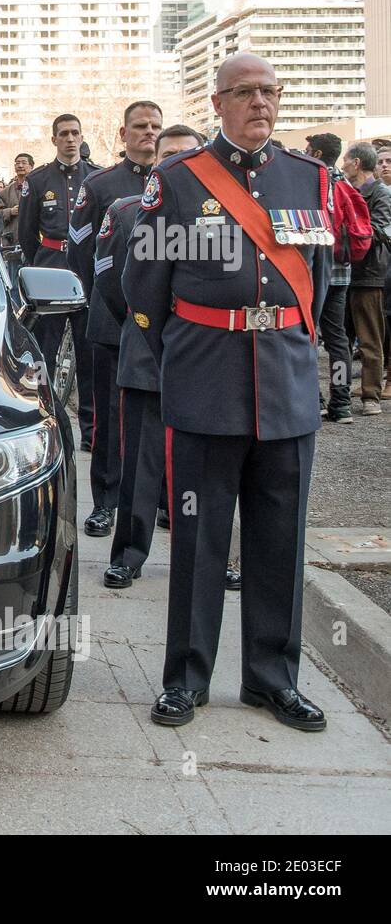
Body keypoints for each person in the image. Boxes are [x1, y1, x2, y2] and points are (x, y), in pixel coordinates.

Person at [123, 52, 330, 732]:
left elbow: (316, 289)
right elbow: (144, 292)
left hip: (288, 390)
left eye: (270, 91)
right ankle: (186, 678)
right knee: (199, 540)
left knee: (280, 543)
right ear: (217, 103)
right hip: (208, 384)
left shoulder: (310, 179)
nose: (260, 104)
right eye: (244, 93)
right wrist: (182, 361)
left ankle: (273, 680)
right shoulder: (176, 184)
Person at [93, 124, 245, 595]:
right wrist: (151, 331)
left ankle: (207, 559)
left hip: (206, 362)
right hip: (147, 357)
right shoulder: (126, 211)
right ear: (155, 162)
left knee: (205, 473)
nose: (178, 160)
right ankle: (128, 556)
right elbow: (111, 283)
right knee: (139, 465)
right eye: (169, 154)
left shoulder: (228, 216)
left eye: (188, 153)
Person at [66, 100, 163, 538]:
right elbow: (81, 251)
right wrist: (106, 306)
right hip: (112, 323)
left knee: (166, 419)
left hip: (166, 328)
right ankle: (105, 502)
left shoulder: (177, 179)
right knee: (109, 417)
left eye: (155, 126)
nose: (149, 133)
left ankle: (162, 501)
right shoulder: (101, 183)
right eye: (140, 126)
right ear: (122, 134)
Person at [18, 114, 101, 442]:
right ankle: (44, 419)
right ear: (54, 139)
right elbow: (26, 234)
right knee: (45, 351)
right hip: (50, 272)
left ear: (82, 137)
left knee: (88, 352)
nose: (70, 139)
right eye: (64, 134)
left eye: (75, 133)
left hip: (86, 274)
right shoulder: (38, 181)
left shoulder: (96, 177)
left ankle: (90, 428)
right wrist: (43, 261)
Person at [306, 133, 362, 423]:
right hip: (342, 270)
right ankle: (341, 401)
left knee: (310, 335)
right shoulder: (344, 182)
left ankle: (314, 399)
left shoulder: (310, 179)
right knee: (338, 338)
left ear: (315, 153)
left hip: (315, 269)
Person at [341, 142, 391, 415]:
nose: (343, 165)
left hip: (369, 274)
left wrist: (348, 229)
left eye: (346, 160)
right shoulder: (346, 191)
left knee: (370, 338)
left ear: (356, 163)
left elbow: (380, 230)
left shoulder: (380, 193)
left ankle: (371, 395)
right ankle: (341, 392)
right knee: (341, 339)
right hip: (345, 273)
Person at [0, 152, 33, 279]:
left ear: (31, 166)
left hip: (34, 244)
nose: (20, 165)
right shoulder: (4, 193)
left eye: (23, 162)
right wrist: (10, 212)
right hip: (13, 245)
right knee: (13, 282)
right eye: (17, 163)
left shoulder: (39, 188)